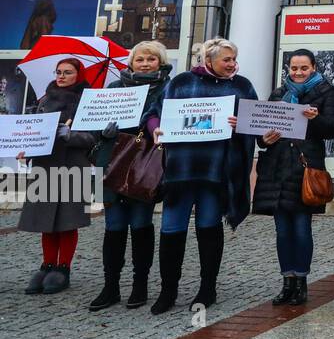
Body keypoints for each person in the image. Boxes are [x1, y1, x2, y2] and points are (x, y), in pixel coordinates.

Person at [150, 37, 258, 315]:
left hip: (217, 171)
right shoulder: (181, 82)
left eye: (234, 59)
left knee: (209, 228)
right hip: (180, 170)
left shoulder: (242, 86)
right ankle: (167, 290)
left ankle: (207, 287)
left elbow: (256, 120)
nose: (233, 64)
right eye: (227, 59)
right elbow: (154, 113)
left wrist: (241, 123)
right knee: (171, 230)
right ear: (208, 61)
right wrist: (156, 128)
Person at [87, 41, 171, 311]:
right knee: (113, 227)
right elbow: (94, 126)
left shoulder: (168, 89)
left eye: (151, 59)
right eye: (140, 59)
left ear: (160, 62)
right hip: (112, 164)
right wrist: (104, 132)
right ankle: (110, 286)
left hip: (144, 165)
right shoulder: (114, 88)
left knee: (140, 224)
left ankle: (140, 284)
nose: (145, 64)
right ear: (131, 63)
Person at [253, 49, 334, 307]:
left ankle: (301, 282)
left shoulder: (325, 92)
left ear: (313, 67)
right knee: (282, 231)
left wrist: (314, 121)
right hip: (278, 168)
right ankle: (286, 282)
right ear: (288, 69)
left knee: (301, 229)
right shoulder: (279, 94)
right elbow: (262, 129)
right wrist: (263, 140)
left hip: (305, 168)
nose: (298, 72)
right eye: (294, 68)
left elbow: (331, 131)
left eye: (304, 68)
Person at [17, 58, 92, 294]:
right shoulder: (45, 99)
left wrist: (71, 136)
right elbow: (32, 131)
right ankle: (47, 264)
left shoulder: (87, 101)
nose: (61, 76)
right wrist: (25, 150)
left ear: (77, 75)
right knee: (45, 221)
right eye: (58, 72)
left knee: (67, 221)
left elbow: (93, 138)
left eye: (67, 72)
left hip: (73, 167)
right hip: (46, 165)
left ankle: (63, 269)